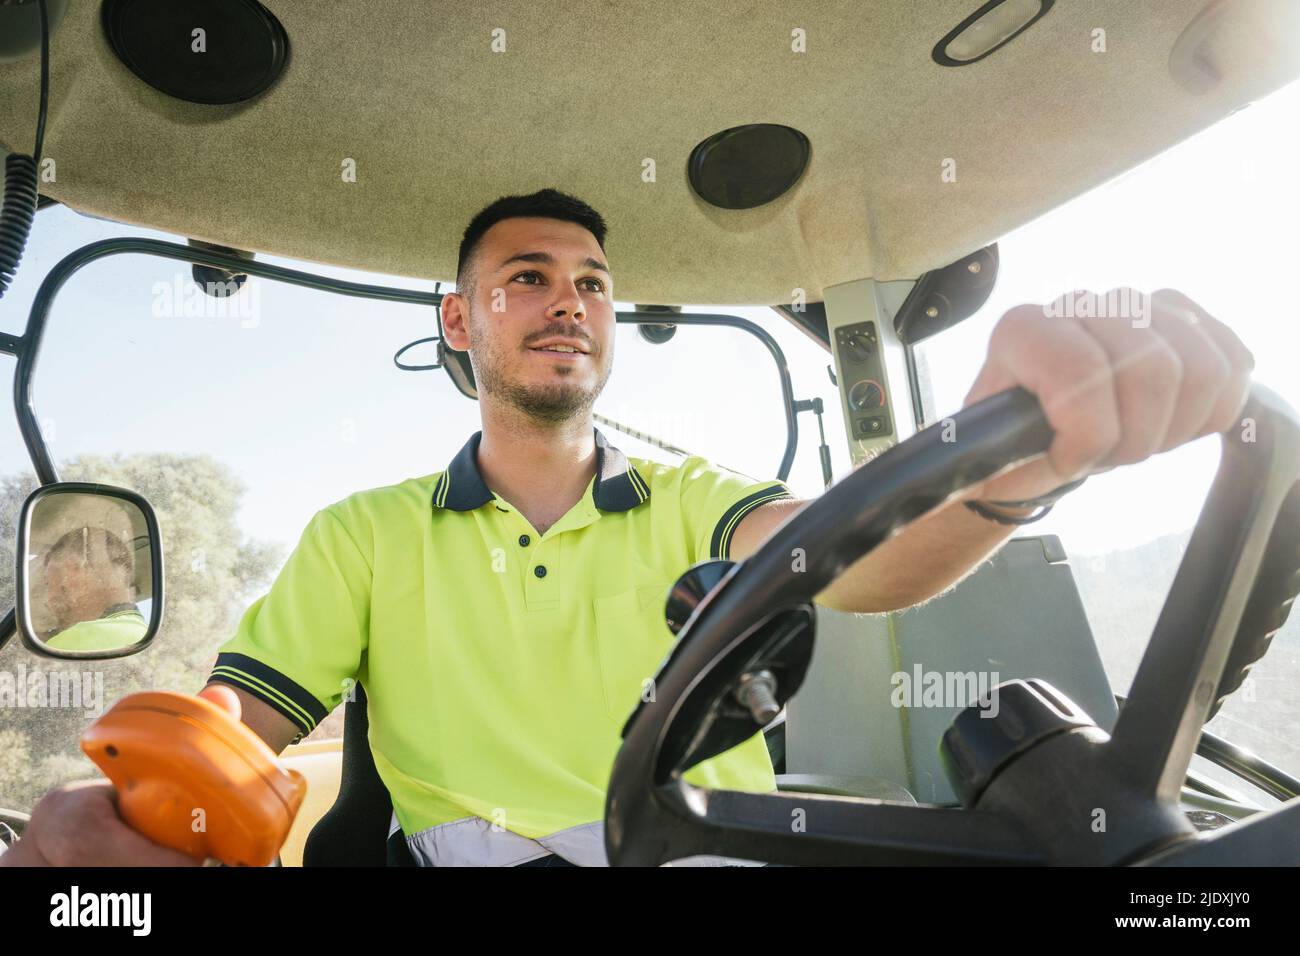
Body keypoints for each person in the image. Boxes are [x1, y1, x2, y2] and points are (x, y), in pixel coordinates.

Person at [2, 188, 1254, 868]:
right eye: (529, 278)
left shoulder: (695, 495)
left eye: (592, 282)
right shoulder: (360, 534)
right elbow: (231, 735)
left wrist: (1009, 466)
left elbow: (858, 561)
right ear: (460, 322)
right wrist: (115, 824)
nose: (569, 304)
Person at [41, 526, 147, 653]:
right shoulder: (144, 634)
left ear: (73, 570)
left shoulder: (61, 646)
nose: (48, 600)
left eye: (48, 583)